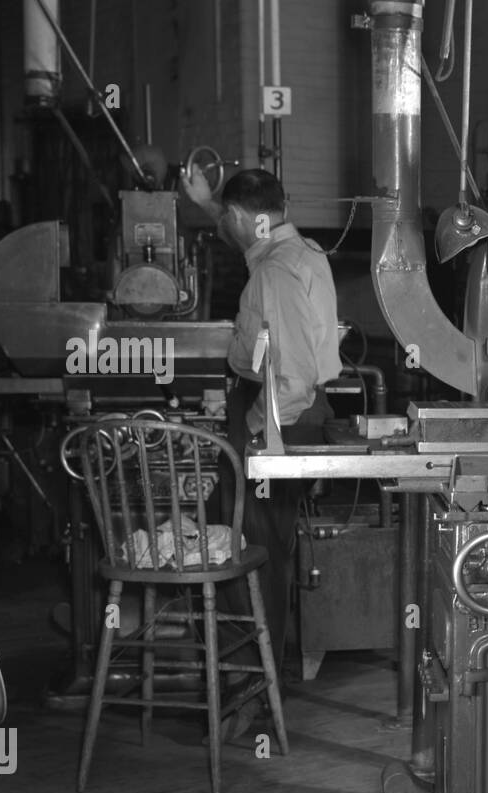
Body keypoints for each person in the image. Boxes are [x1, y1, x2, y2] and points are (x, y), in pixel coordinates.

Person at [181, 167, 340, 737]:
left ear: (249, 219)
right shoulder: (300, 251)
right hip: (289, 417)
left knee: (245, 554)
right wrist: (207, 204)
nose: (222, 227)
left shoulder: (274, 273)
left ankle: (247, 690)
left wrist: (249, 432)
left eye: (226, 219)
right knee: (265, 551)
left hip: (276, 421)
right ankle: (259, 679)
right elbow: (238, 225)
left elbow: (291, 381)